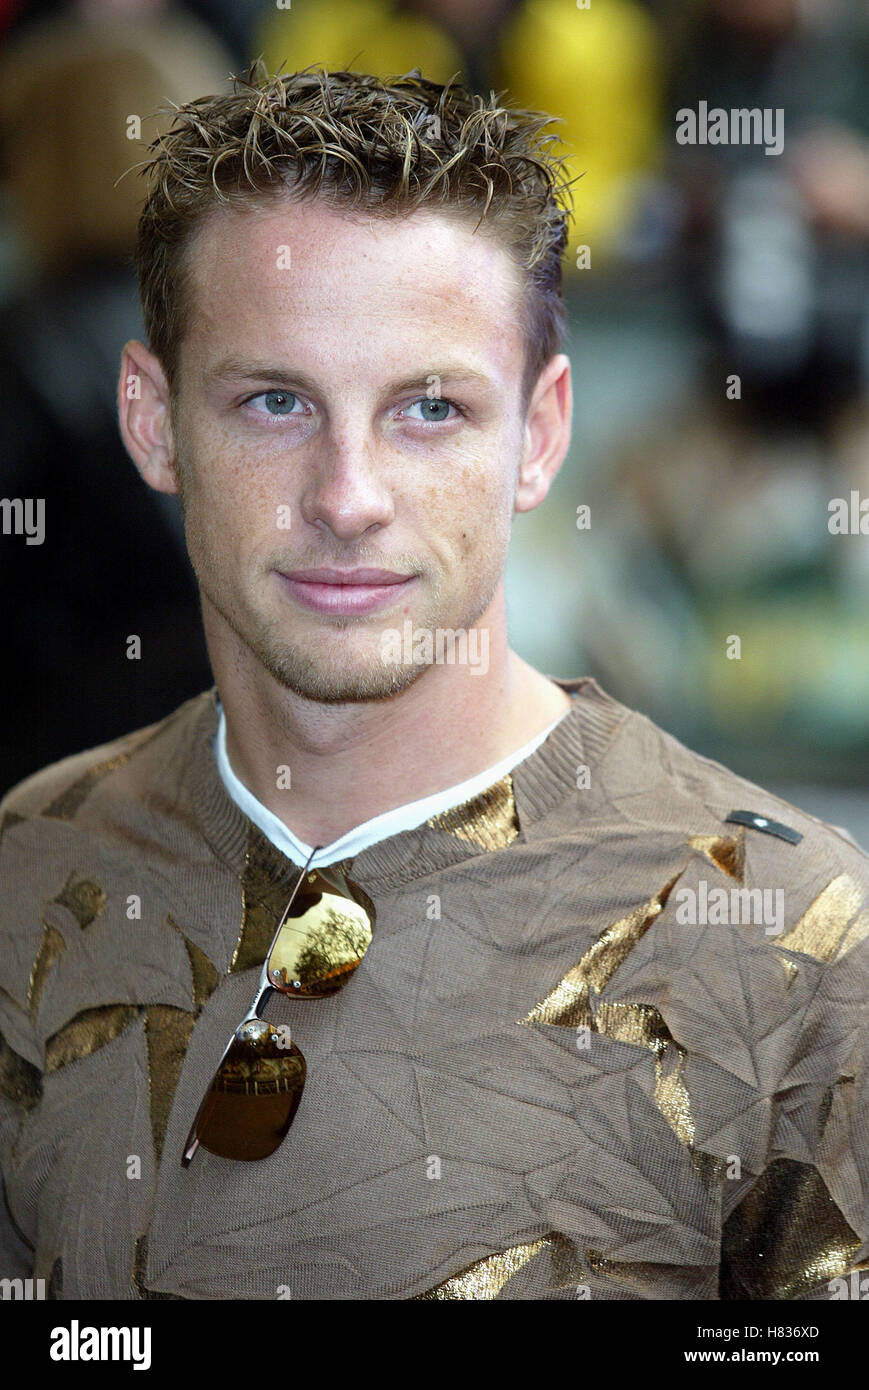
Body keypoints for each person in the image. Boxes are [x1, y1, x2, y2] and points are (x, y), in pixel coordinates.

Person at [0, 63, 866, 1302]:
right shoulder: (29, 874)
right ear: (151, 420)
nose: (347, 496)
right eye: (274, 400)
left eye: (427, 409)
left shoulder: (794, 941)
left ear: (540, 433)